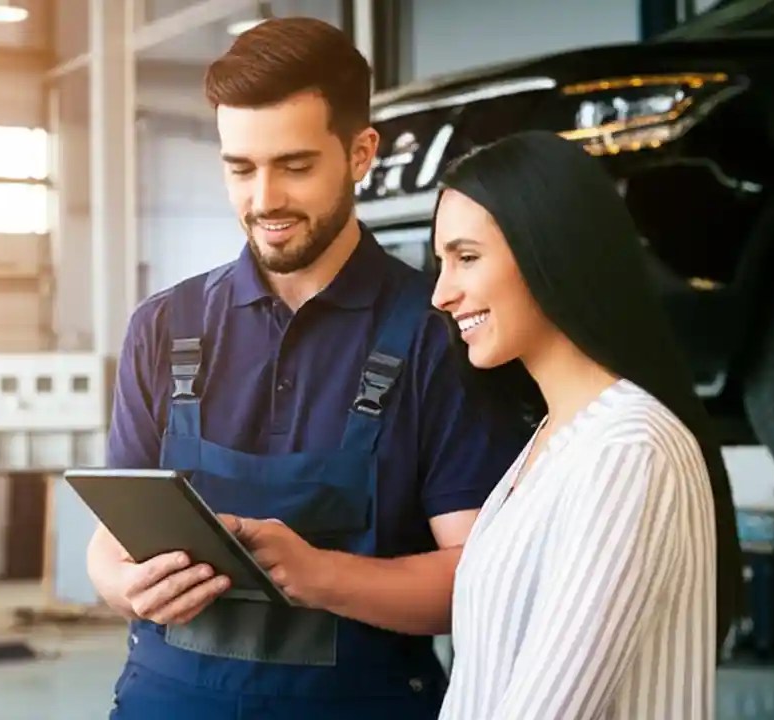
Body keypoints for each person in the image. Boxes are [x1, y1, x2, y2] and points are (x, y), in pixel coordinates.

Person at [86, 16, 528, 720]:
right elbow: (110, 545)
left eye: (294, 166)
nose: (265, 201)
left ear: (360, 154)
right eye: (241, 169)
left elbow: (476, 584)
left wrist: (320, 575)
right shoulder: (163, 328)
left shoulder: (438, 337)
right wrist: (126, 587)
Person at [428, 130, 744, 720]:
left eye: (466, 258)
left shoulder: (626, 450)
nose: (442, 293)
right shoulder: (554, 440)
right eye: (440, 261)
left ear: (550, 248)